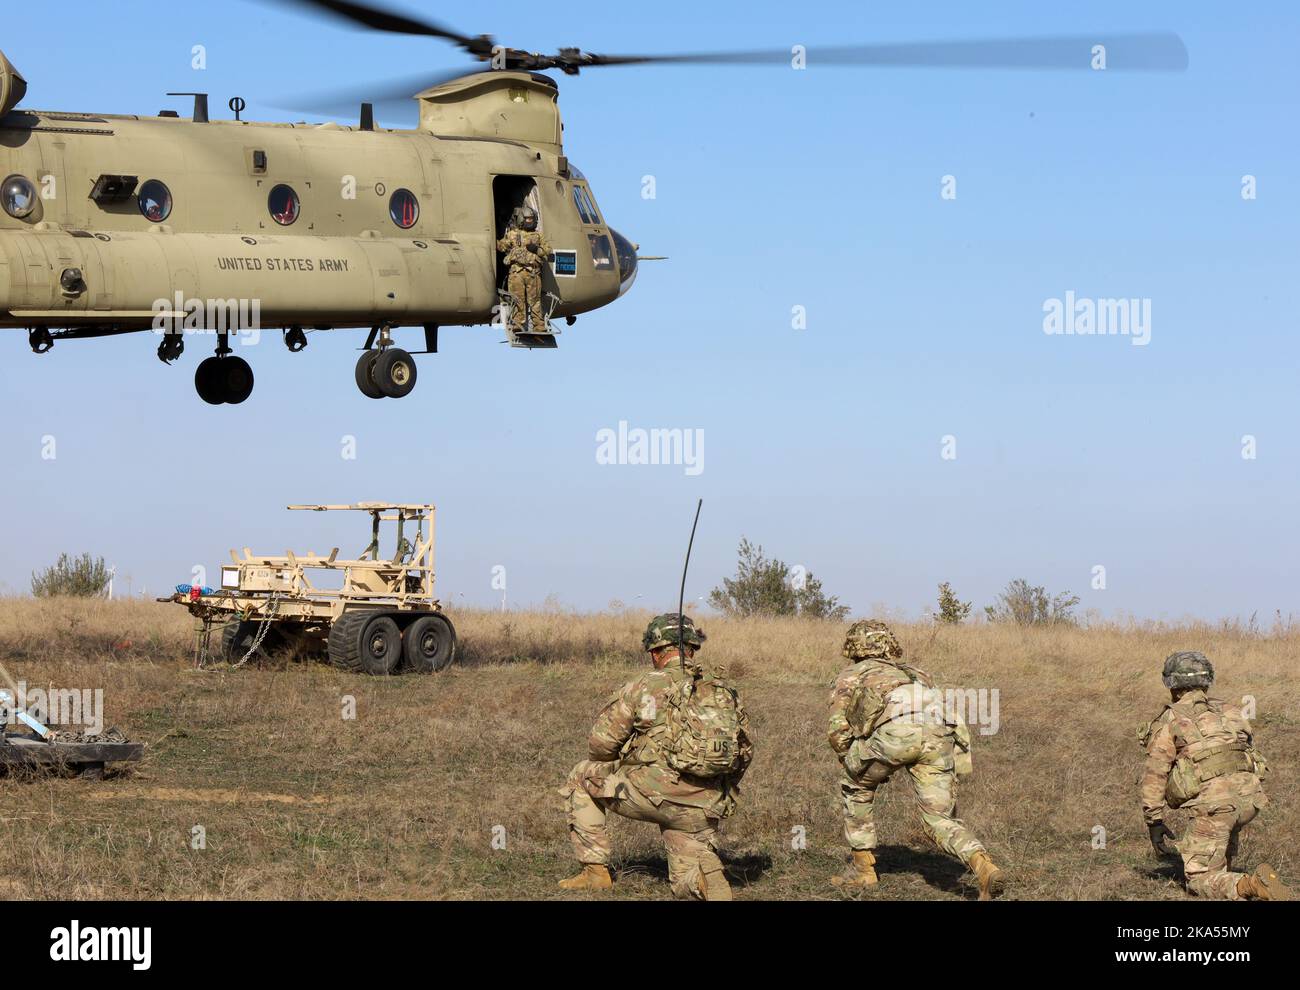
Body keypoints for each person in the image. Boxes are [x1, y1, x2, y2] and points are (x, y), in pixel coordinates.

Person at [558, 613, 753, 900]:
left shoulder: (643, 686)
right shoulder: (724, 690)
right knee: (685, 884)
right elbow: (745, 751)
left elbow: (600, 746)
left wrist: (625, 762)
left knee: (581, 775)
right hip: (703, 807)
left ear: (657, 651)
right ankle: (702, 877)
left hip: (651, 795)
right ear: (692, 648)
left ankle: (595, 872)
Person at [827, 619, 1005, 899]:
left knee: (855, 786)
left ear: (854, 646)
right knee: (937, 818)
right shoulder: (916, 673)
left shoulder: (852, 675)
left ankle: (864, 871)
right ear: (889, 645)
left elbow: (838, 732)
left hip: (895, 736)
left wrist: (855, 762)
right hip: (939, 735)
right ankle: (983, 865)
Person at [1140, 651, 1290, 900]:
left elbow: (1156, 774)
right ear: (1207, 679)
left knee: (1200, 879)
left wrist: (1154, 821)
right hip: (1250, 799)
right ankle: (1230, 875)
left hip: (1215, 806)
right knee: (1220, 861)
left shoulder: (1170, 718)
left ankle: (1251, 885)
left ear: (1170, 683)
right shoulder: (1230, 711)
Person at [497, 207, 553, 335]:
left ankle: (539, 326)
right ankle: (518, 324)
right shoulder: (512, 234)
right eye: (527, 219)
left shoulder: (539, 236)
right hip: (516, 273)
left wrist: (536, 250)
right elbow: (502, 246)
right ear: (521, 219)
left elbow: (548, 251)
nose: (529, 221)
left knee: (535, 301)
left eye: (531, 219)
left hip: (533, 273)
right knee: (517, 300)